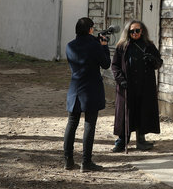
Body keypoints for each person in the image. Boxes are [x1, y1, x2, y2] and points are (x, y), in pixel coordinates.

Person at [63, 17, 111, 172]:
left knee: (72, 124)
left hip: (75, 87)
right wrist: (104, 46)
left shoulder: (70, 46)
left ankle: (68, 161)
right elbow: (105, 64)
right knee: (89, 125)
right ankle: (86, 162)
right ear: (90, 29)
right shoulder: (95, 45)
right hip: (91, 88)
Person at [111, 20, 163, 152]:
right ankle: (122, 141)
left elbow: (158, 63)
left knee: (142, 112)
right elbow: (115, 65)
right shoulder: (122, 46)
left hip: (144, 86)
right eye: (132, 31)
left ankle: (141, 140)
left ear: (142, 31)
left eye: (137, 30)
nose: (135, 33)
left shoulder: (148, 45)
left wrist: (152, 59)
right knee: (125, 113)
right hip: (127, 86)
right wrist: (120, 79)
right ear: (128, 32)